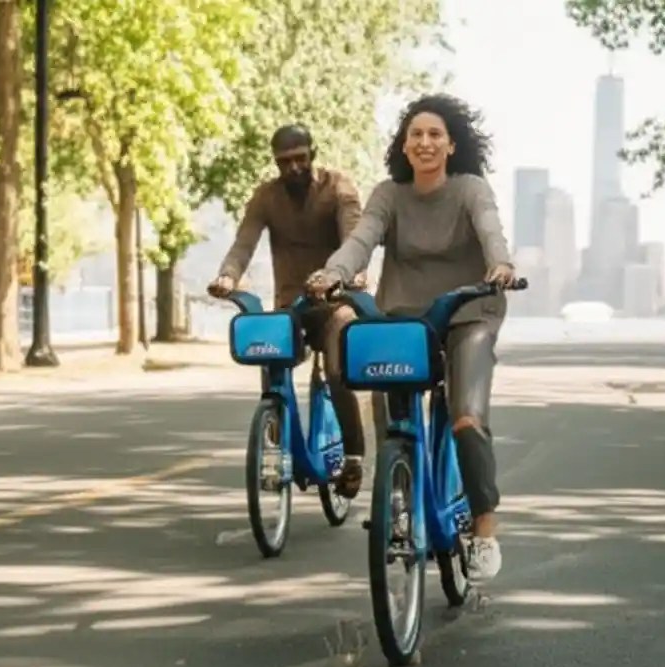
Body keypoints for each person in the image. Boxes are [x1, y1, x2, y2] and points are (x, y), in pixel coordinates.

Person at [305, 94, 518, 581]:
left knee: (466, 416)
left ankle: (484, 529)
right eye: (415, 135)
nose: (425, 142)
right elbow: (361, 240)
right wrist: (333, 272)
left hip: (470, 312)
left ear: (450, 145)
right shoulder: (388, 195)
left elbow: (490, 230)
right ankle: (396, 493)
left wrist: (500, 265)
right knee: (392, 413)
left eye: (434, 134)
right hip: (406, 315)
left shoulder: (470, 190)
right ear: (403, 146)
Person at [209, 123, 367, 498]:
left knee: (336, 369)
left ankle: (355, 458)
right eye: (284, 162)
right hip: (291, 305)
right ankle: (278, 444)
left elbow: (354, 233)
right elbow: (244, 243)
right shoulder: (266, 196)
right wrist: (228, 276)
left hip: (335, 302)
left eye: (300, 158)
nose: (293, 168)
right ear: (276, 163)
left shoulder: (338, 187)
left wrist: (350, 270)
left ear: (314, 151)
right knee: (271, 360)